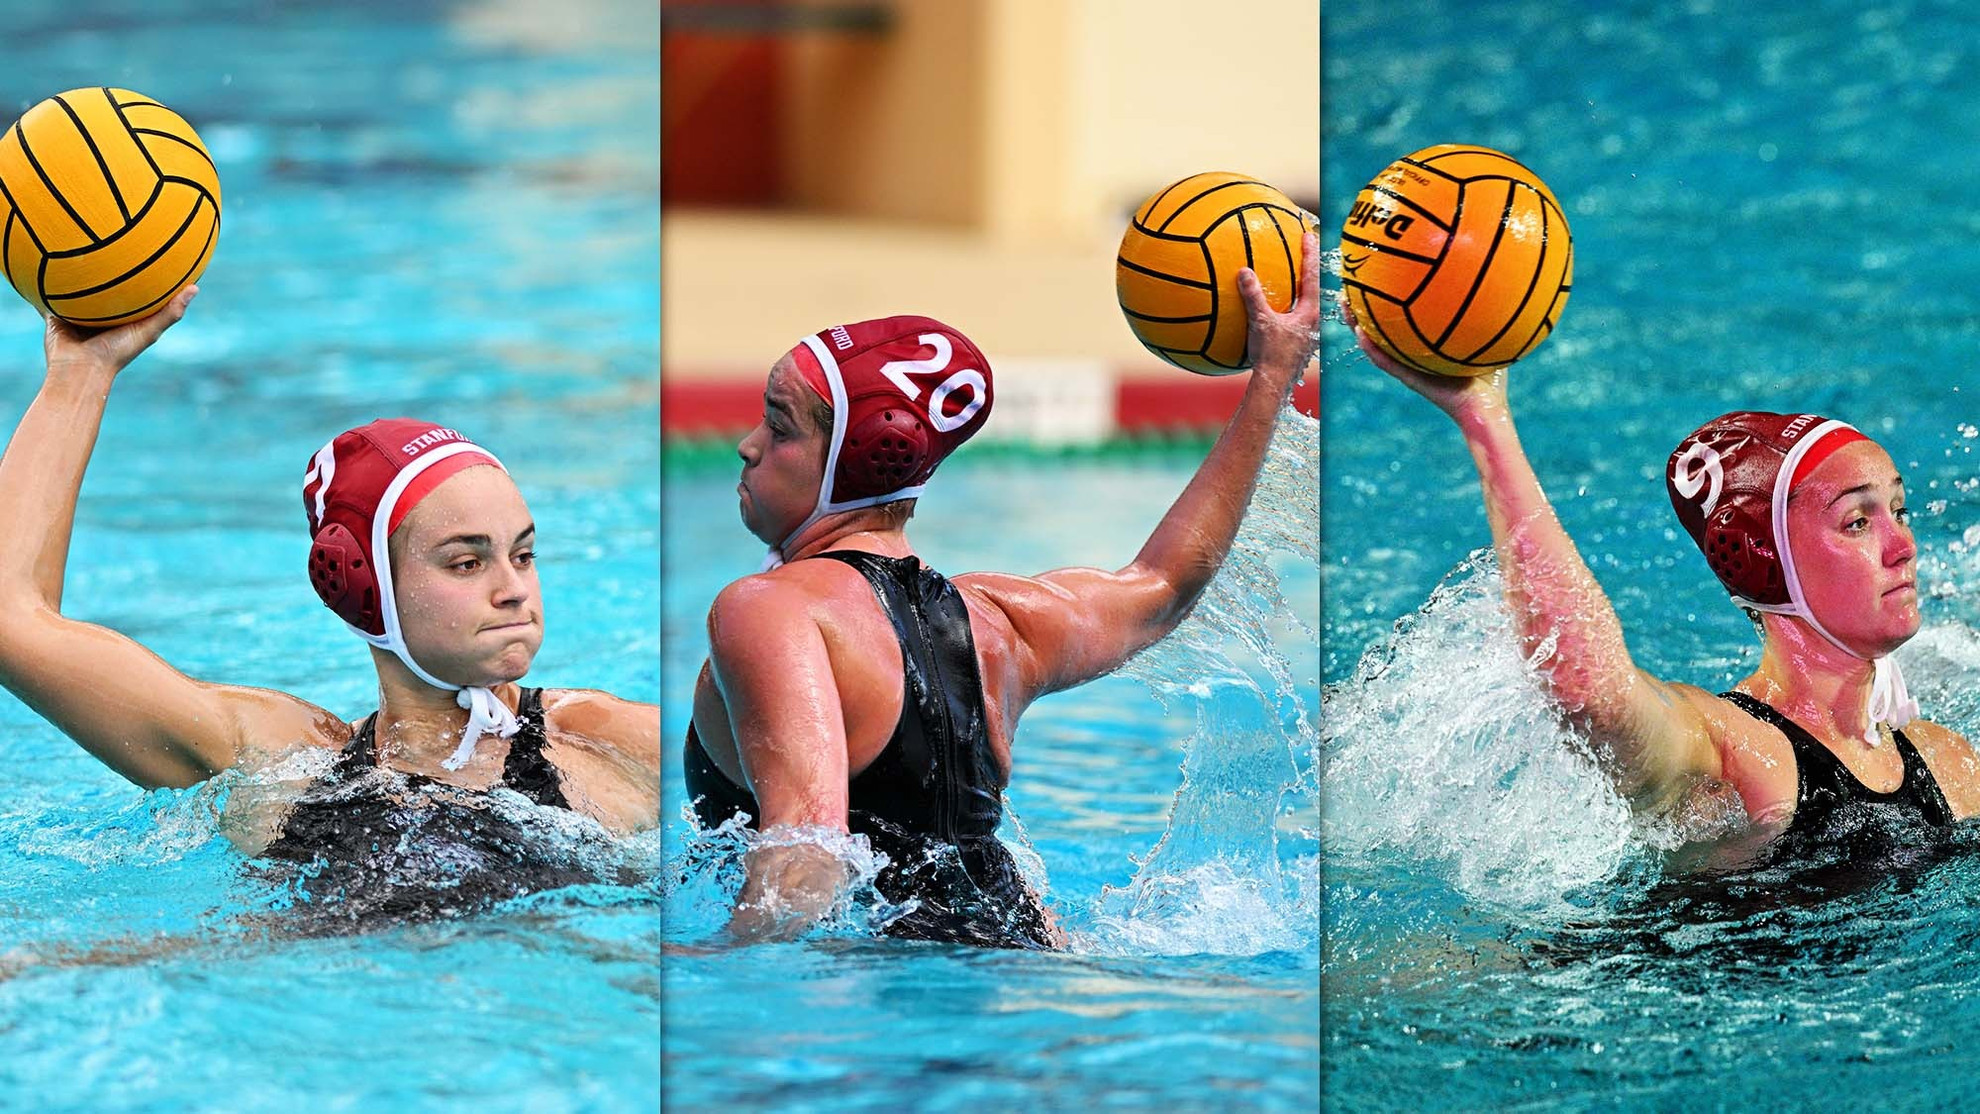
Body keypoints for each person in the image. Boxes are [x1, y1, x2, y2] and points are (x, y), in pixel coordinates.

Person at [686, 233, 1322, 948]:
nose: (748, 443)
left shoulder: (766, 610)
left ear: (854, 462)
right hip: (1028, 963)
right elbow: (1164, 584)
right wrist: (1274, 373)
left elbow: (809, 857)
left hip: (895, 1007)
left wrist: (692, 965)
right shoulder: (999, 626)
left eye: (779, 426)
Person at [9, 288, 660, 925]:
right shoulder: (283, 765)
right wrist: (81, 372)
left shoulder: (608, 743)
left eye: (523, 555)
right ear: (359, 584)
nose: (513, 587)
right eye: (466, 562)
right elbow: (12, 619)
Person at [1348, 314, 1980, 869]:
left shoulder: (1949, 766)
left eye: (1900, 509)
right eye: (1859, 522)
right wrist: (1483, 419)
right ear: (1766, 560)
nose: (1903, 545)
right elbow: (1590, 693)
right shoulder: (1733, 757)